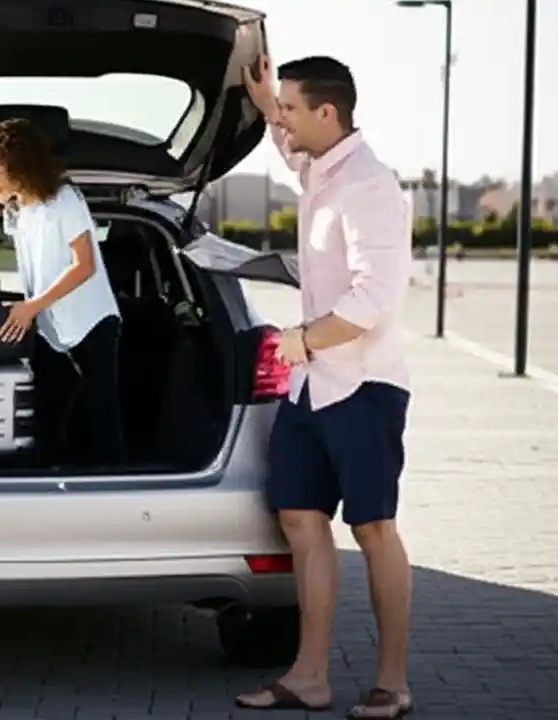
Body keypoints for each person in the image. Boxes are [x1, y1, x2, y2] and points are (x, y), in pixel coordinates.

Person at [233, 55, 415, 719]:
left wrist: (302, 341)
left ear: (327, 113)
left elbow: (376, 297)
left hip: (363, 388)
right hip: (311, 390)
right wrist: (262, 103)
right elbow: (289, 148)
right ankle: (309, 676)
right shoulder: (320, 169)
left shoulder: (368, 186)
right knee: (300, 521)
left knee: (373, 529)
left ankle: (392, 684)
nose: (282, 120)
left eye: (290, 107)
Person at [0, 117, 125, 466]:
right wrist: (28, 306)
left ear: (18, 166)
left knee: (103, 418)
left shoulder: (64, 199)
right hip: (51, 328)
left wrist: (31, 307)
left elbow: (83, 265)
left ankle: (117, 493)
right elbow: (38, 269)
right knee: (48, 417)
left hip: (91, 323)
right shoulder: (17, 211)